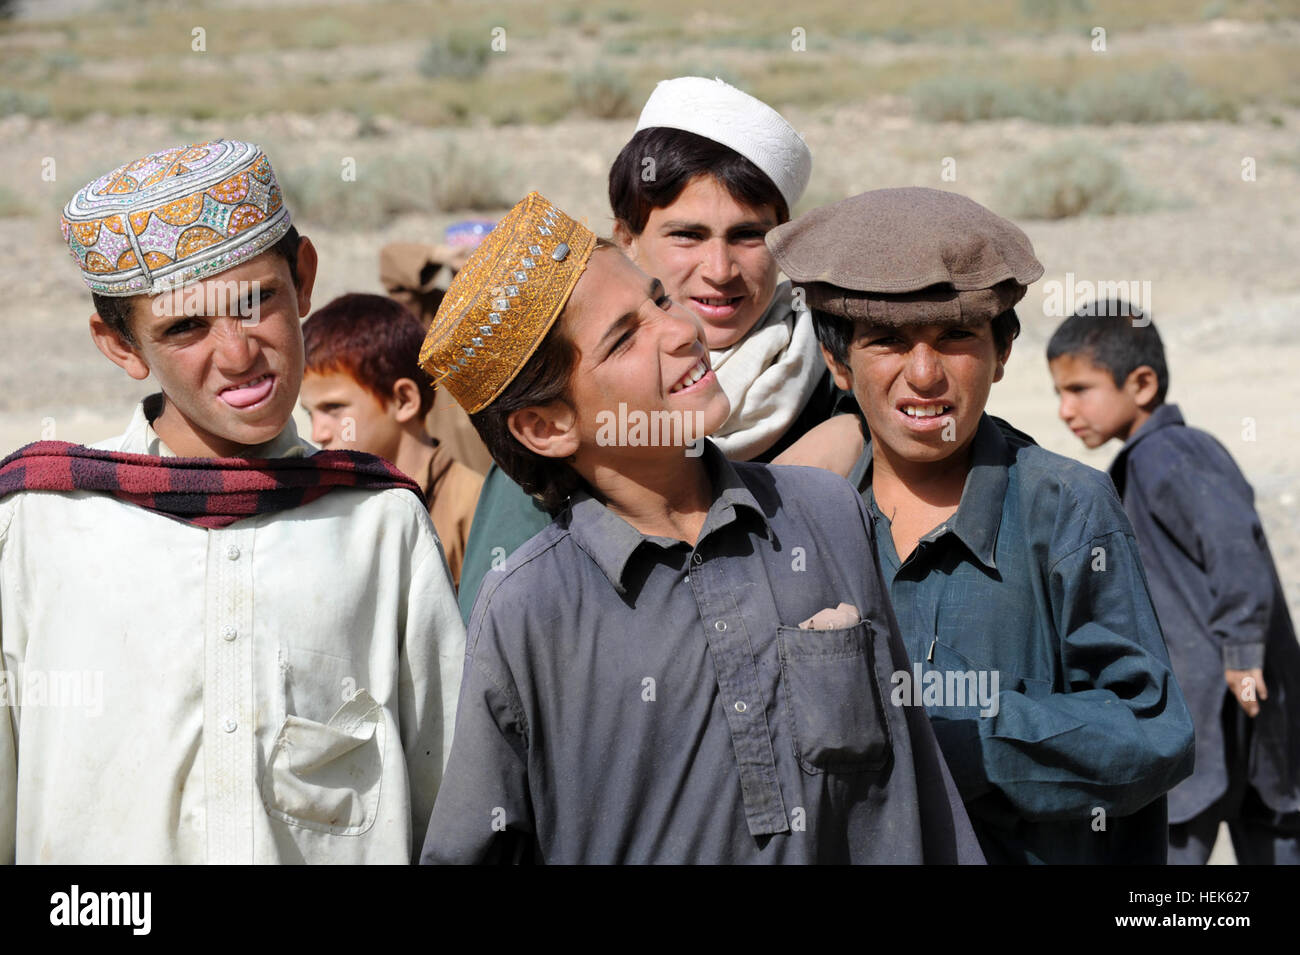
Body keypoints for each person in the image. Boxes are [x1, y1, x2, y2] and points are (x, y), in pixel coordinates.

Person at [417, 191, 983, 864]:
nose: (680, 328)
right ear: (547, 426)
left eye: (658, 298)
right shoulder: (527, 611)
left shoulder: (826, 514)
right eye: (624, 337)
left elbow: (913, 786)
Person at [0, 140, 465, 863]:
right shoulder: (39, 526)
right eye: (185, 327)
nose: (238, 352)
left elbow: (450, 806)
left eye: (255, 302)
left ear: (303, 279)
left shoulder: (379, 525)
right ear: (121, 346)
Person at [766, 186, 1195, 864]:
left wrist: (966, 730)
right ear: (839, 363)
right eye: (888, 341)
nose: (925, 374)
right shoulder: (806, 525)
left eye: (956, 336)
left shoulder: (1068, 507)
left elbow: (1153, 732)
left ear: (1001, 352)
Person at [455, 76, 845, 624]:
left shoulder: (840, 382)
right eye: (687, 235)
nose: (720, 270)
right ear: (626, 238)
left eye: (748, 236)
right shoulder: (563, 444)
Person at [1048, 303, 1300, 864]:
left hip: (1233, 692)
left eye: (1080, 389)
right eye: (1059, 392)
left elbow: (1234, 543)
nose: (1065, 409)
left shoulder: (1173, 453)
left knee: (1185, 844)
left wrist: (1240, 651)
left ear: (1141, 383)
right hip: (1214, 700)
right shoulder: (1141, 464)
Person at [300, 293, 483, 587]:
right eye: (310, 413)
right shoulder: (325, 505)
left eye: (333, 408)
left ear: (403, 400)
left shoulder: (473, 507)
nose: (317, 433)